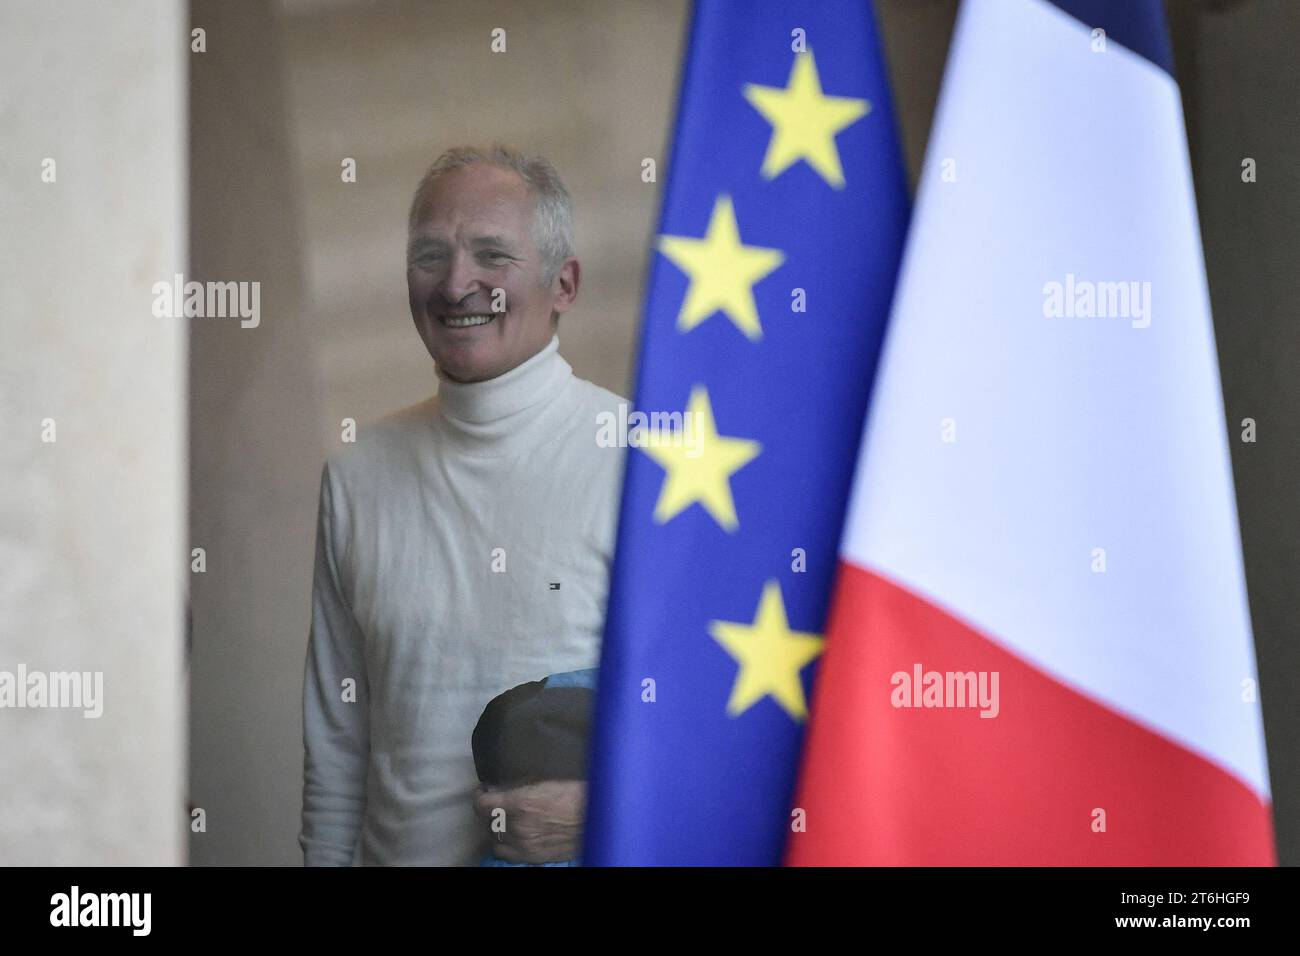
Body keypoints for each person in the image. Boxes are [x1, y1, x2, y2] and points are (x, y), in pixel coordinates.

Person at [299, 145, 625, 865]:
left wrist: (603, 815)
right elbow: (337, 742)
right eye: (429, 255)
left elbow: (716, 728)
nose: (456, 283)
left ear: (563, 283)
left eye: (491, 255)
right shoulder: (357, 474)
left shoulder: (640, 461)